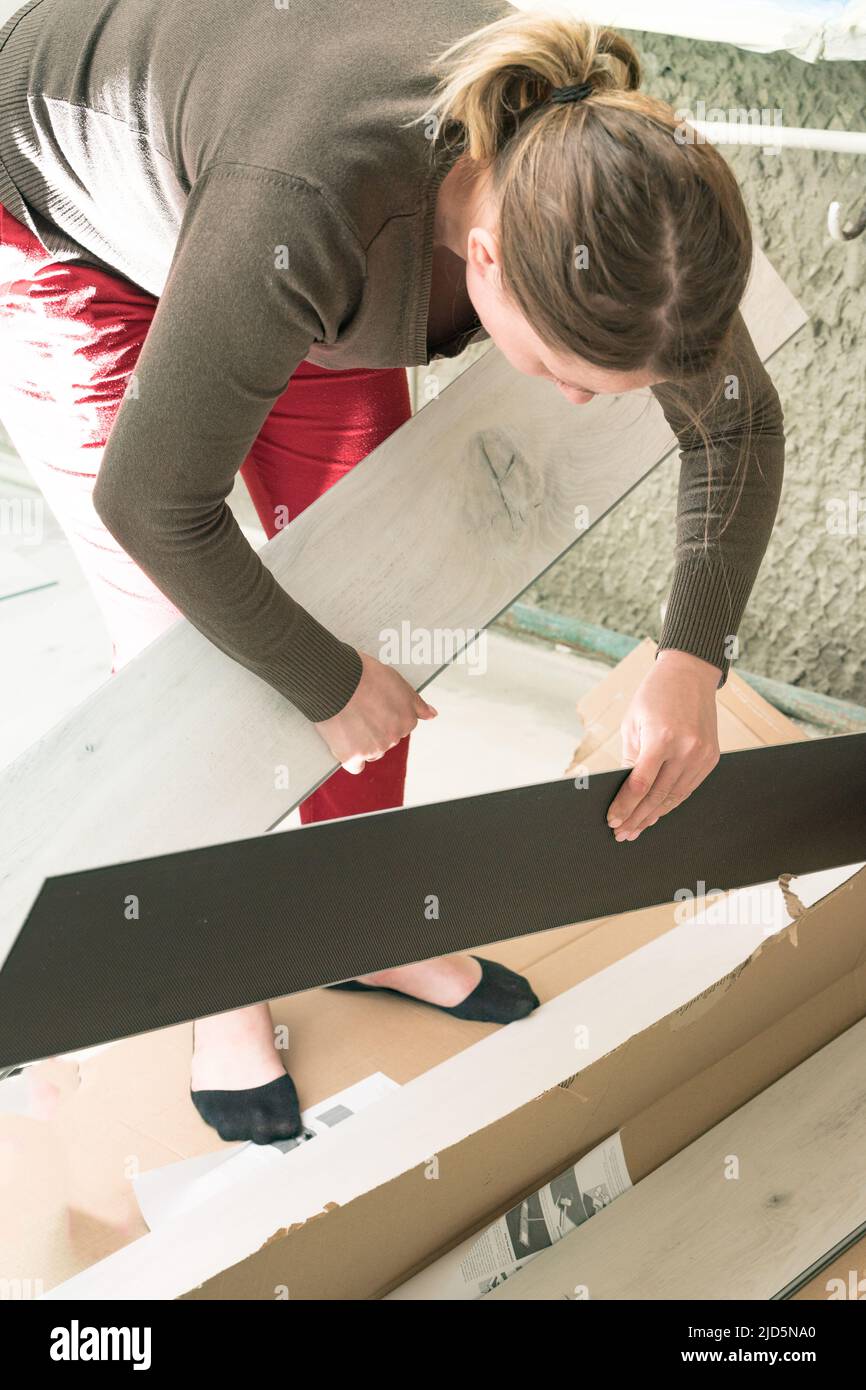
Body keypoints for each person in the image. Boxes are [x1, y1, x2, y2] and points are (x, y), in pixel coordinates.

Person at [0, 2, 784, 1143]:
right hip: (71, 218)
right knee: (199, 645)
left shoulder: (630, 205)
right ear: (481, 260)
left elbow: (737, 427)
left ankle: (357, 919)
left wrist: (690, 657)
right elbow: (152, 505)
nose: (573, 403)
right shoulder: (316, 207)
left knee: (382, 607)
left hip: (258, 193)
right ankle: (222, 989)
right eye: (563, 373)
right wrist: (323, 680)